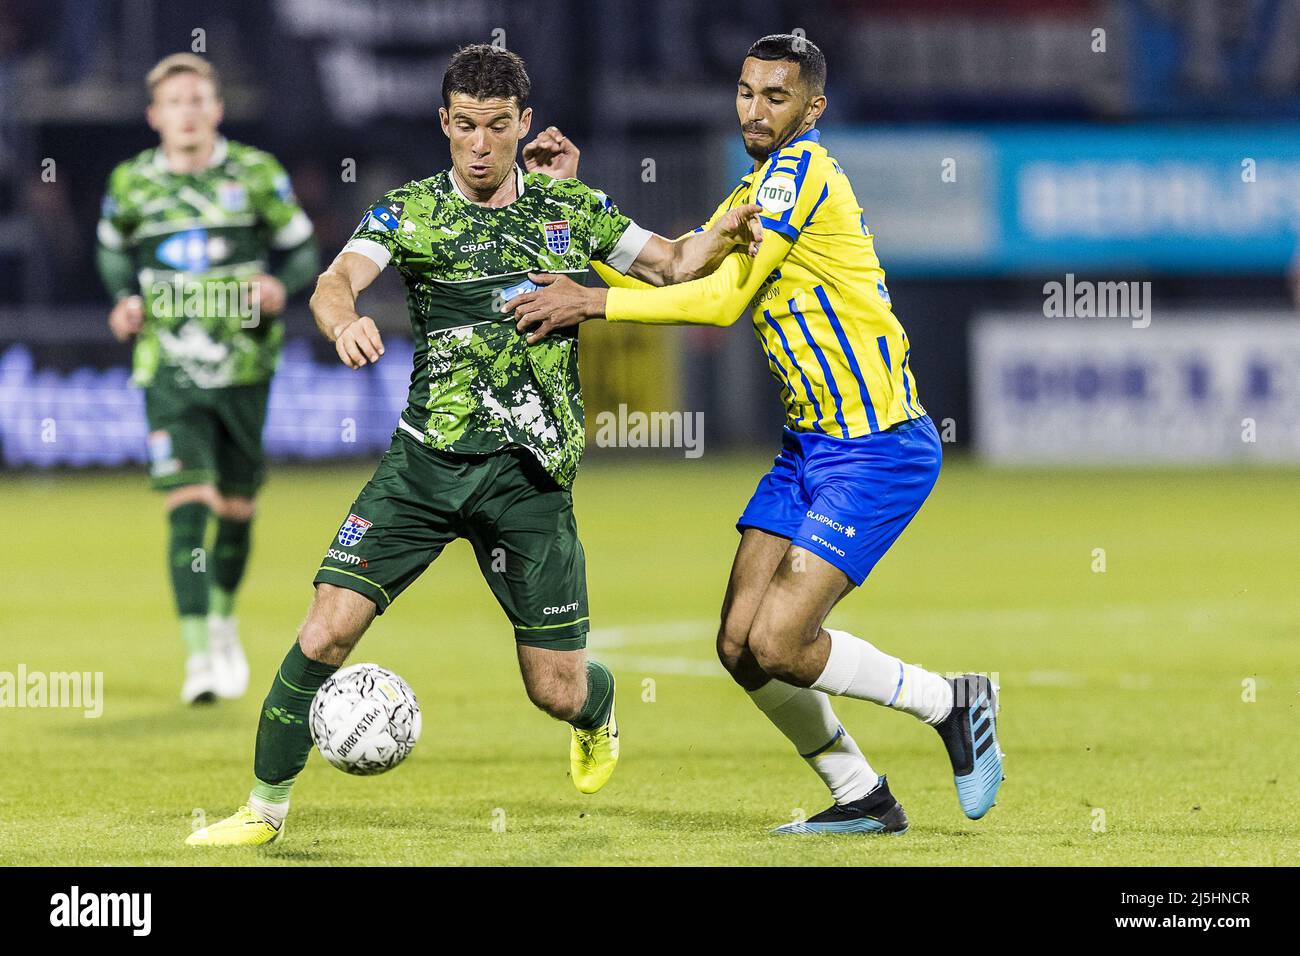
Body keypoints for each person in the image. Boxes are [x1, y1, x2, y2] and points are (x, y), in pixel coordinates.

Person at [187, 44, 763, 846]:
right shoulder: (410, 211)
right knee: (325, 630)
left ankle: (596, 707)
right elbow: (334, 281)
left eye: (496, 126)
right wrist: (344, 320)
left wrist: (726, 229)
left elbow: (671, 265)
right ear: (444, 124)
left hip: (530, 479)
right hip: (423, 467)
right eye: (465, 126)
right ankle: (263, 810)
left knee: (554, 690)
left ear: (524, 123)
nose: (481, 145)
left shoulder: (570, 210)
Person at [509, 34, 1003, 834]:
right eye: (745, 92)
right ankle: (862, 796)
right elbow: (674, 266)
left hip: (876, 446)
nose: (755, 110)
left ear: (813, 107)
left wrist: (590, 304)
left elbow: (720, 303)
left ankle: (951, 701)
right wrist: (568, 201)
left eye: (777, 96)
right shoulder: (755, 188)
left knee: (779, 640)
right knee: (739, 645)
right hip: (809, 447)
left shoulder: (801, 175)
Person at [96, 53, 318, 704]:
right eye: (175, 102)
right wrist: (123, 299)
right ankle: (198, 658)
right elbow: (111, 249)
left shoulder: (256, 173)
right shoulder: (132, 182)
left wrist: (280, 284)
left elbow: (303, 248)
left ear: (217, 109)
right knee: (188, 506)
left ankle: (222, 622)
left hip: (245, 366)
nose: (187, 112)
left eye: (197, 100)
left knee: (238, 510)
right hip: (167, 367)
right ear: (154, 116)